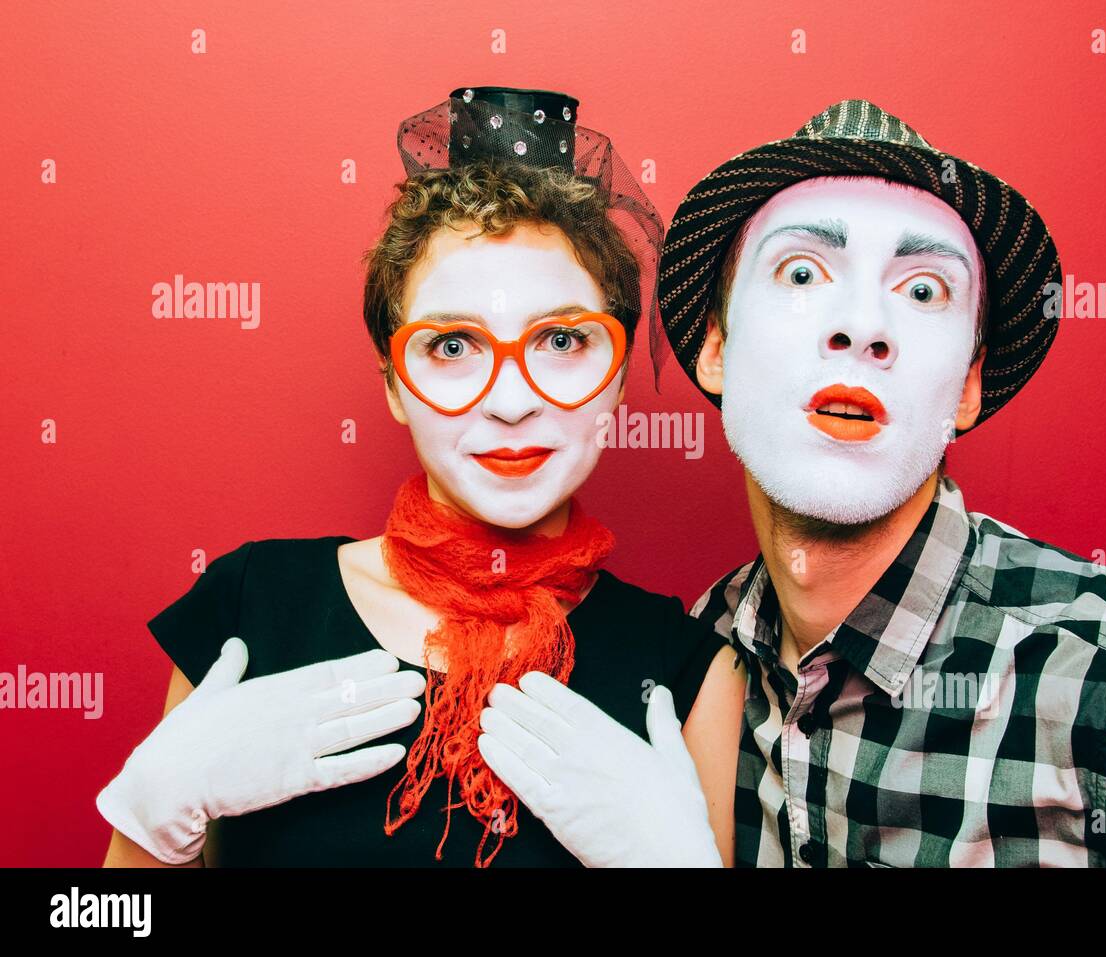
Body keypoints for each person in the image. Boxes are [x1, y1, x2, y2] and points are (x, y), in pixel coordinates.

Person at [478, 98, 1106, 867]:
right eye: (802, 274)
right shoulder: (699, 660)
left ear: (970, 386)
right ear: (715, 349)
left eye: (922, 290)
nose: (863, 325)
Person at [95, 87, 745, 868]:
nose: (511, 402)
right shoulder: (254, 603)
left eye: (564, 338)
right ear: (394, 386)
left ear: (614, 379)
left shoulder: (688, 670)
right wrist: (150, 821)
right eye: (451, 346)